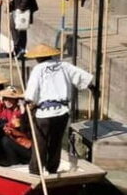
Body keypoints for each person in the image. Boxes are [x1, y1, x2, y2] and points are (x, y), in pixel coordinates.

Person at [23, 44, 93, 175]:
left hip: (44, 113)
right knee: (56, 142)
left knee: (40, 143)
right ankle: (52, 168)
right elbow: (84, 77)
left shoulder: (38, 69)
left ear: (38, 58)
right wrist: (92, 87)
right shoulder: (64, 66)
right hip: (62, 112)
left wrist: (27, 101)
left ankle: (35, 170)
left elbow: (31, 94)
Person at [0, 86, 32, 166]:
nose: (8, 101)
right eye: (5, 99)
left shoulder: (20, 111)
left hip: (26, 147)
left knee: (5, 141)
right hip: (15, 143)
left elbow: (16, 123)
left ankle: (14, 164)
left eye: (10, 99)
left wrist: (8, 126)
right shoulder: (7, 110)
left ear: (16, 100)